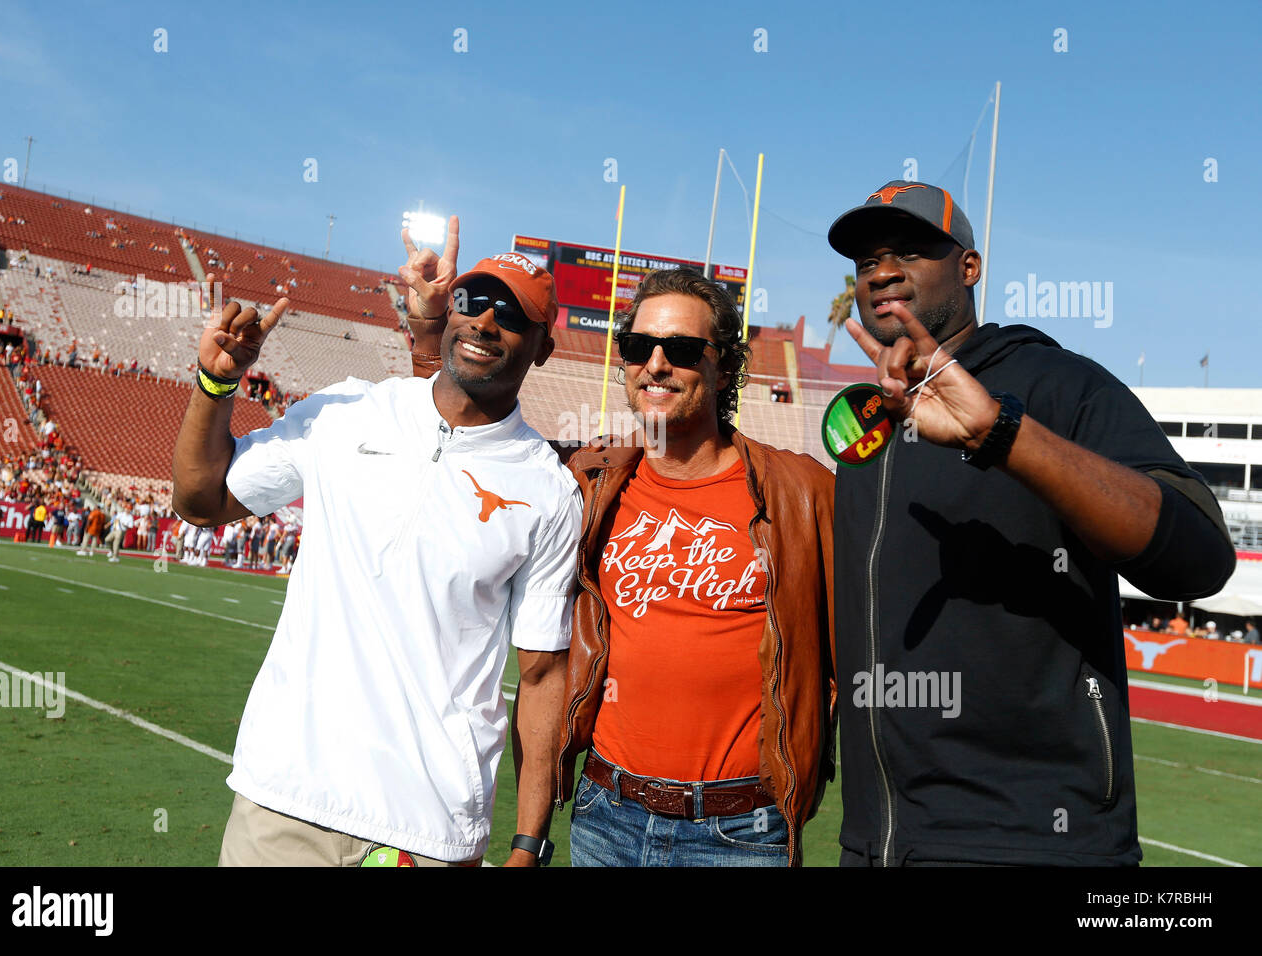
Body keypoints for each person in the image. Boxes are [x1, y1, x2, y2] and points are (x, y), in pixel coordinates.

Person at [826, 180, 1236, 866]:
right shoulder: (866, 424)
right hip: (878, 845)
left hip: (1031, 844)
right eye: (868, 260)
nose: (883, 271)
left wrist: (1003, 434)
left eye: (912, 250)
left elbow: (1199, 557)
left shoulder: (1057, 383)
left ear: (969, 267)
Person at [173, 216, 581, 868]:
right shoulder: (345, 411)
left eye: (511, 316)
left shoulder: (548, 491)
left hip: (428, 826)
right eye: (473, 302)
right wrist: (217, 383)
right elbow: (200, 500)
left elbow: (543, 677)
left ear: (541, 349)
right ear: (449, 313)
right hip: (285, 798)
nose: (484, 322)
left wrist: (528, 844)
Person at [410, 267, 836, 866]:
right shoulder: (589, 481)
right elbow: (461, 444)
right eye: (640, 347)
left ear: (726, 368)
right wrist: (428, 333)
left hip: (739, 833)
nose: (656, 364)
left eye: (683, 350)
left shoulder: (802, 492)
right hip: (604, 817)